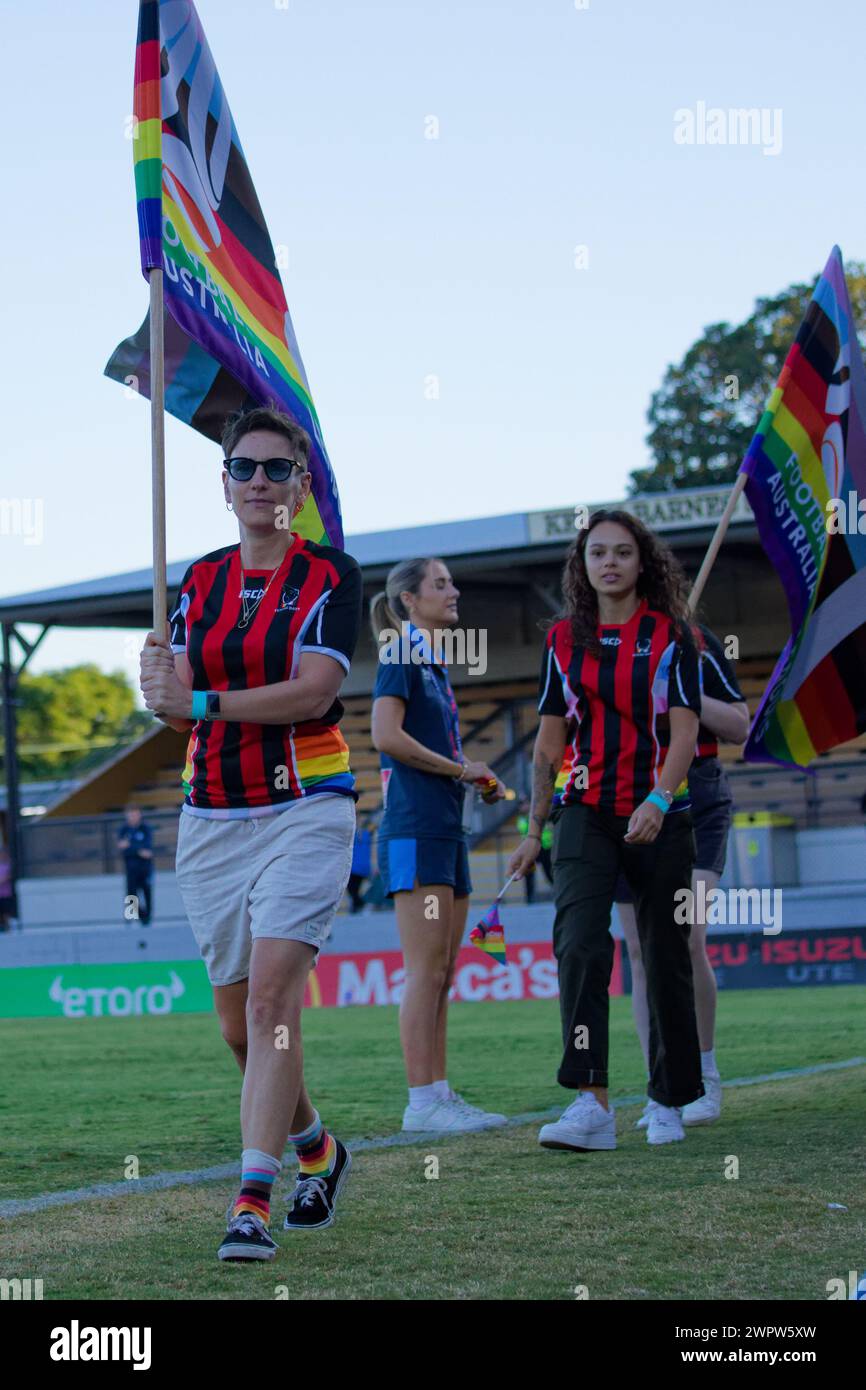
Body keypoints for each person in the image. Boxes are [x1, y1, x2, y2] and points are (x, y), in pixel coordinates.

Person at [140, 405, 362, 1263]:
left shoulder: (331, 576)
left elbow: (311, 692)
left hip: (307, 801)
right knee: (241, 1029)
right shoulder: (198, 582)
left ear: (303, 488)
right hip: (212, 813)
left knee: (274, 1003)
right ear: (224, 483)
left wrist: (195, 702)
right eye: (245, 468)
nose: (260, 482)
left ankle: (251, 1202)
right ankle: (318, 1150)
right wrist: (164, 688)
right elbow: (177, 716)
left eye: (278, 470)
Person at [509, 509, 704, 1150]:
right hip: (584, 810)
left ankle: (668, 1099)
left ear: (641, 562)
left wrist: (659, 796)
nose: (610, 563)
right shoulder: (563, 641)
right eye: (598, 553)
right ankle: (591, 1103)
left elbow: (685, 732)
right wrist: (534, 826)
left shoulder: (672, 634)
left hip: (660, 814)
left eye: (623, 552)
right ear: (583, 565)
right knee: (580, 944)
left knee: (665, 953)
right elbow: (549, 738)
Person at [370, 557, 507, 1133]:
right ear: (409, 599)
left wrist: (471, 774)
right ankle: (421, 1103)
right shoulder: (400, 653)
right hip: (414, 829)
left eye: (452, 581)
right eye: (441, 583)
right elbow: (385, 735)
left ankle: (440, 1095)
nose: (454, 591)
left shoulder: (432, 664)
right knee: (425, 971)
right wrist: (458, 769)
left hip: (445, 829)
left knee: (445, 969)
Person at [619, 623, 749, 1128]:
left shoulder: (694, 640)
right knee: (638, 951)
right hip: (623, 801)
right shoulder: (593, 642)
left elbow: (739, 724)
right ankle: (662, 1086)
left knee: (687, 937)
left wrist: (679, 687)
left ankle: (703, 1073)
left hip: (696, 802)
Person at [116, 805, 154, 925]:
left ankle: (147, 918)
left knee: (146, 892)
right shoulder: (123, 829)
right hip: (130, 868)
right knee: (131, 894)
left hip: (145, 868)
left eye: (135, 814)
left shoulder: (145, 828)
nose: (133, 817)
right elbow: (122, 848)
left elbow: (147, 851)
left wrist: (130, 846)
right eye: (130, 814)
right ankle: (131, 918)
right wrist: (138, 850)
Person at [516, 797, 553, 903]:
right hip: (530, 850)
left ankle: (558, 890)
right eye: (522, 805)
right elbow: (525, 830)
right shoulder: (522, 819)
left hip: (545, 848)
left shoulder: (540, 815)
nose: (524, 806)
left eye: (526, 804)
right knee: (528, 873)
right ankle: (529, 898)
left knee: (549, 872)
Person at [347, 818, 373, 913]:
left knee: (353, 888)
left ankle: (359, 904)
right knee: (353, 889)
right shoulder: (358, 834)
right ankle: (356, 906)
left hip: (358, 867)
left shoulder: (364, 834)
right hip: (357, 867)